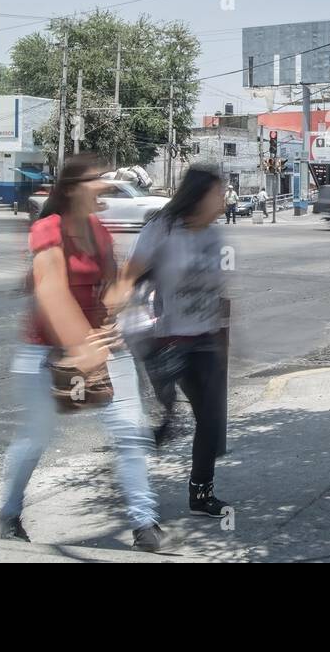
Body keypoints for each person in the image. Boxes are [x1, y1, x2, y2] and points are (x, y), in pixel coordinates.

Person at [0, 154, 168, 552]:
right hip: (44, 352)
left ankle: (144, 523)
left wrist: (118, 311)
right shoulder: (47, 229)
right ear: (74, 189)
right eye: (98, 180)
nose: (107, 185)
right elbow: (50, 290)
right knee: (35, 437)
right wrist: (80, 348)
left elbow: (110, 287)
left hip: (99, 345)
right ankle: (9, 511)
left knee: (130, 430)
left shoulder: (98, 231)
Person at [113, 167, 232, 518]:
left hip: (206, 339)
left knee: (211, 420)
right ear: (199, 195)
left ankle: (201, 493)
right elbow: (128, 278)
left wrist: (224, 339)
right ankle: (129, 470)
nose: (224, 200)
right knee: (165, 414)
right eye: (219, 193)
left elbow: (220, 291)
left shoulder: (212, 237)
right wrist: (107, 324)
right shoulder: (162, 229)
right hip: (168, 339)